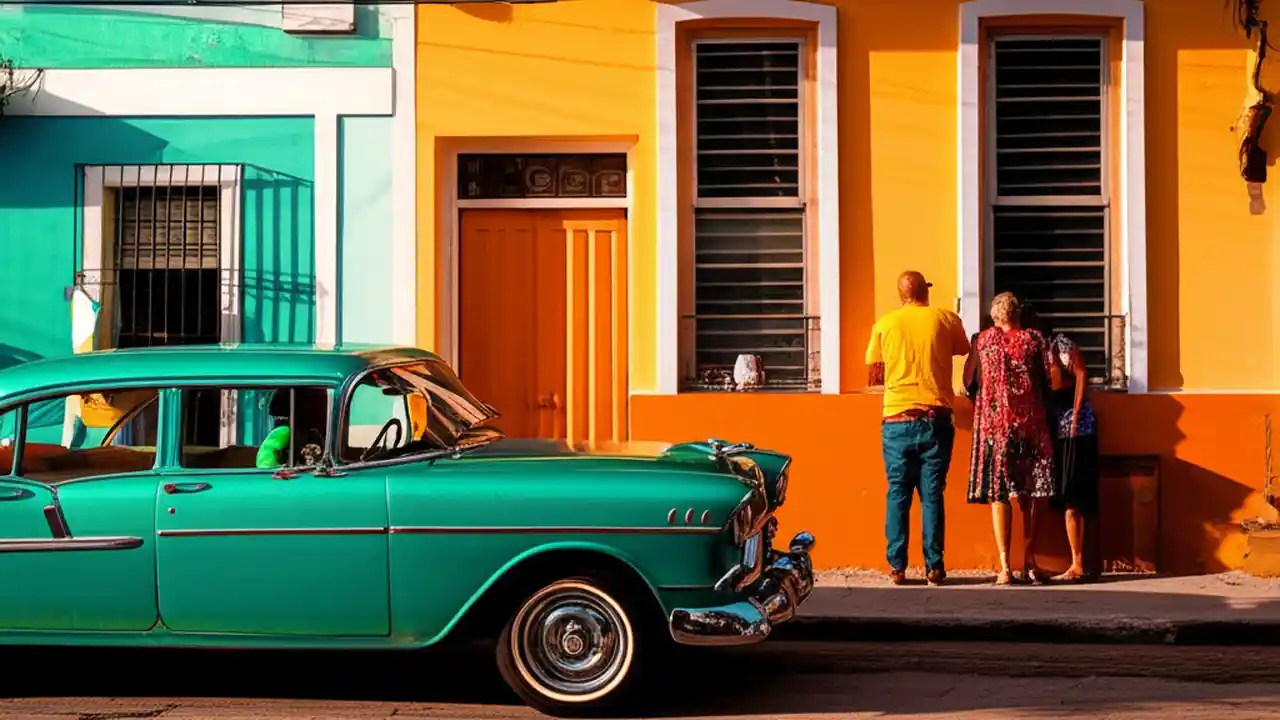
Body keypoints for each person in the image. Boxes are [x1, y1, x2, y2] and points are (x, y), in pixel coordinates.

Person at [866, 271, 971, 586]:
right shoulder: (945, 319)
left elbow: (874, 375)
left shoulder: (884, 324)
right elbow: (963, 348)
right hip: (935, 417)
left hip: (896, 419)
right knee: (932, 494)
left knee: (897, 493)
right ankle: (934, 567)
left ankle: (896, 567)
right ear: (926, 291)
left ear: (901, 295)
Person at [965, 292, 1055, 586]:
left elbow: (968, 382)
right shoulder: (1034, 340)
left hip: (994, 428)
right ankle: (1030, 561)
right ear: (1018, 314)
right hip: (1030, 426)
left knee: (999, 493)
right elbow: (1048, 381)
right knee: (1031, 493)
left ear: (995, 315)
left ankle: (1004, 566)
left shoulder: (981, 341)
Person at [1025, 307, 1100, 583]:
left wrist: (1076, 412)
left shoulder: (1059, 345)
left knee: (1074, 493)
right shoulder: (1034, 350)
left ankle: (1079, 562)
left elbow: (1080, 373)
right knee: (1056, 492)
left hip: (1073, 426)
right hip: (1053, 425)